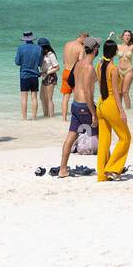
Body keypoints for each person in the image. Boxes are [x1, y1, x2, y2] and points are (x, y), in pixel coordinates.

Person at [58, 37, 99, 178]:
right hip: (85, 106)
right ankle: (109, 166)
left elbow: (70, 81)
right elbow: (87, 92)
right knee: (101, 135)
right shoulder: (89, 67)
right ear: (95, 50)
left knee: (70, 137)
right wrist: (93, 113)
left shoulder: (77, 63)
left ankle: (63, 169)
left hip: (75, 105)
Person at [95, 40, 131, 181]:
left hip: (101, 104)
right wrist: (121, 110)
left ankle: (102, 174)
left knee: (104, 141)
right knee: (125, 138)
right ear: (114, 52)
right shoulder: (114, 69)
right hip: (110, 104)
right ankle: (112, 168)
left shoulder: (99, 65)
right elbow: (116, 92)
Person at [111, 30, 133, 110]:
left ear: (130, 37)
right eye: (126, 35)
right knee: (119, 92)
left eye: (129, 36)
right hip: (119, 70)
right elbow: (107, 46)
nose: (127, 37)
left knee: (125, 92)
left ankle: (129, 111)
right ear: (122, 37)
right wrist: (110, 37)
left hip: (129, 71)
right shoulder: (118, 46)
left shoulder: (132, 47)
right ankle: (119, 110)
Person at [15, 31, 43, 120]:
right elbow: (40, 63)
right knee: (34, 97)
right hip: (35, 75)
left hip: (24, 75)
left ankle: (24, 118)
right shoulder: (39, 48)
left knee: (24, 97)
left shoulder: (20, 48)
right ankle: (34, 117)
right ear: (32, 38)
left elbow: (17, 62)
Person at [61, 32, 88, 120]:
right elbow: (80, 62)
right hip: (74, 73)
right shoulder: (81, 48)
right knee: (78, 96)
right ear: (83, 38)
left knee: (65, 97)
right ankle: (77, 116)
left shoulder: (67, 44)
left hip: (65, 71)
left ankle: (64, 118)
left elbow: (64, 60)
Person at [38, 38, 59, 119]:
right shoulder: (43, 54)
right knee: (42, 97)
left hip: (51, 76)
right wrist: (42, 73)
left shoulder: (51, 55)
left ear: (44, 47)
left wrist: (46, 72)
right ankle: (45, 115)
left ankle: (51, 117)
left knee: (49, 98)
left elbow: (57, 67)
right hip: (44, 76)